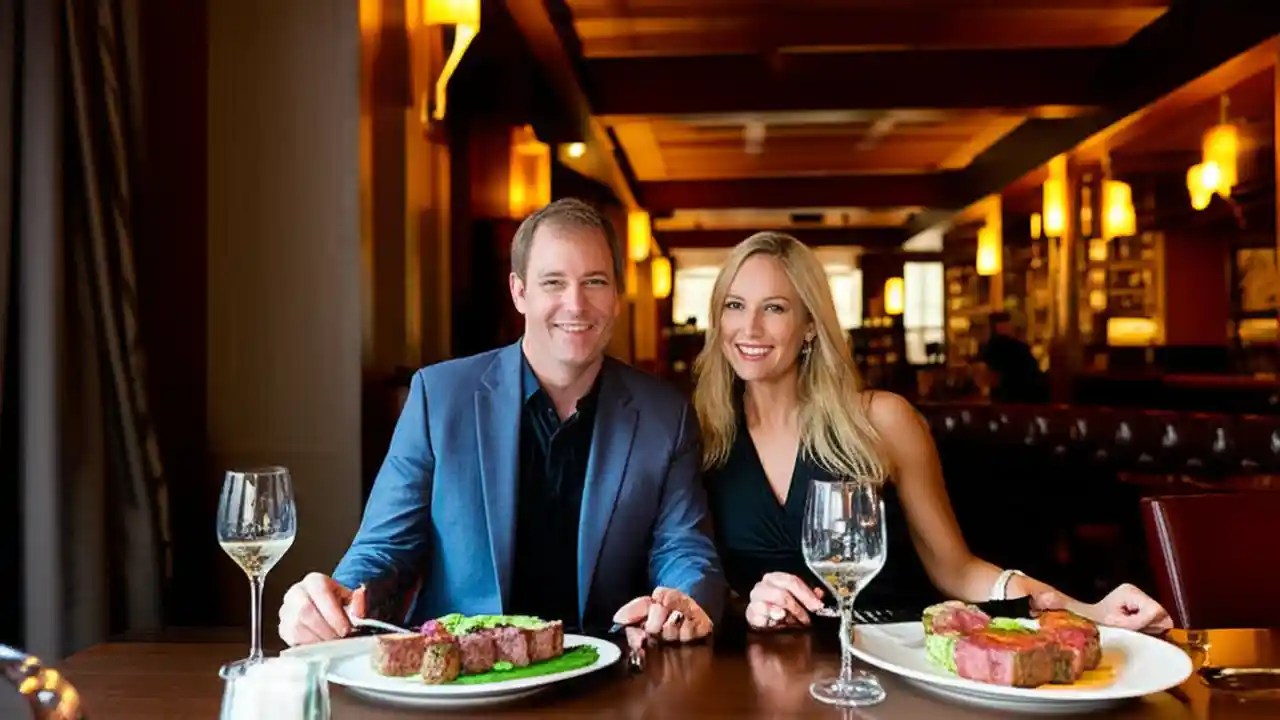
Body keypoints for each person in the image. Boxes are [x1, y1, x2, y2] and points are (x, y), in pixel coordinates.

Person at [277, 198, 725, 646]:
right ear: (519, 292)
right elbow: (384, 548)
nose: (576, 303)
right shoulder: (440, 397)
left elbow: (682, 547)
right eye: (553, 282)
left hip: (606, 673)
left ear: (616, 295)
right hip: (462, 678)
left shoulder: (665, 414)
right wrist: (331, 603)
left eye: (595, 281)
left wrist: (684, 600)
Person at [695, 232, 1171, 634]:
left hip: (891, 660)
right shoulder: (700, 433)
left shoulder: (881, 420)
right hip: (765, 675)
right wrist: (744, 605)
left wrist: (1089, 613)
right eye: (734, 305)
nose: (749, 327)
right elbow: (696, 580)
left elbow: (957, 569)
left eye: (774, 308)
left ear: (811, 327)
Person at [976, 311, 1049, 403]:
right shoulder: (1020, 349)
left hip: (1011, 400)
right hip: (1026, 400)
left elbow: (993, 379)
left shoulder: (995, 349)